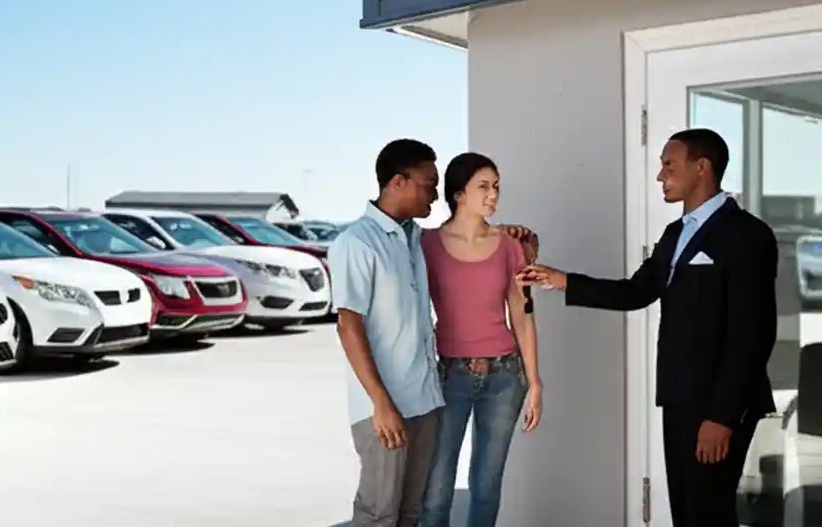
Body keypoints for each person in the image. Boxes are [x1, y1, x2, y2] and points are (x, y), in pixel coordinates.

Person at [518, 128, 777, 527]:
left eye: (668, 165)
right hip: (678, 397)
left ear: (701, 168)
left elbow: (752, 333)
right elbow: (636, 292)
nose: (660, 176)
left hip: (716, 404)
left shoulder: (748, 235)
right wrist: (560, 279)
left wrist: (722, 416)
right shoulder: (676, 234)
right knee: (687, 513)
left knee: (709, 513)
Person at [331, 139, 538, 527]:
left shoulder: (413, 238)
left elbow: (512, 298)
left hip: (431, 397)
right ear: (398, 182)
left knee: (416, 508)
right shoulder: (368, 243)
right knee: (387, 510)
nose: (435, 193)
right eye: (429, 184)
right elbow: (348, 324)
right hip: (401, 399)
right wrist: (380, 403)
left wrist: (513, 237)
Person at [418, 153, 541, 527]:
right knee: (436, 491)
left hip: (504, 377)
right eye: (483, 186)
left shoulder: (508, 245)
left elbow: (522, 314)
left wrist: (535, 381)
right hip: (447, 376)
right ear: (458, 193)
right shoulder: (426, 245)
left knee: (486, 487)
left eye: (497, 186)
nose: (493, 194)